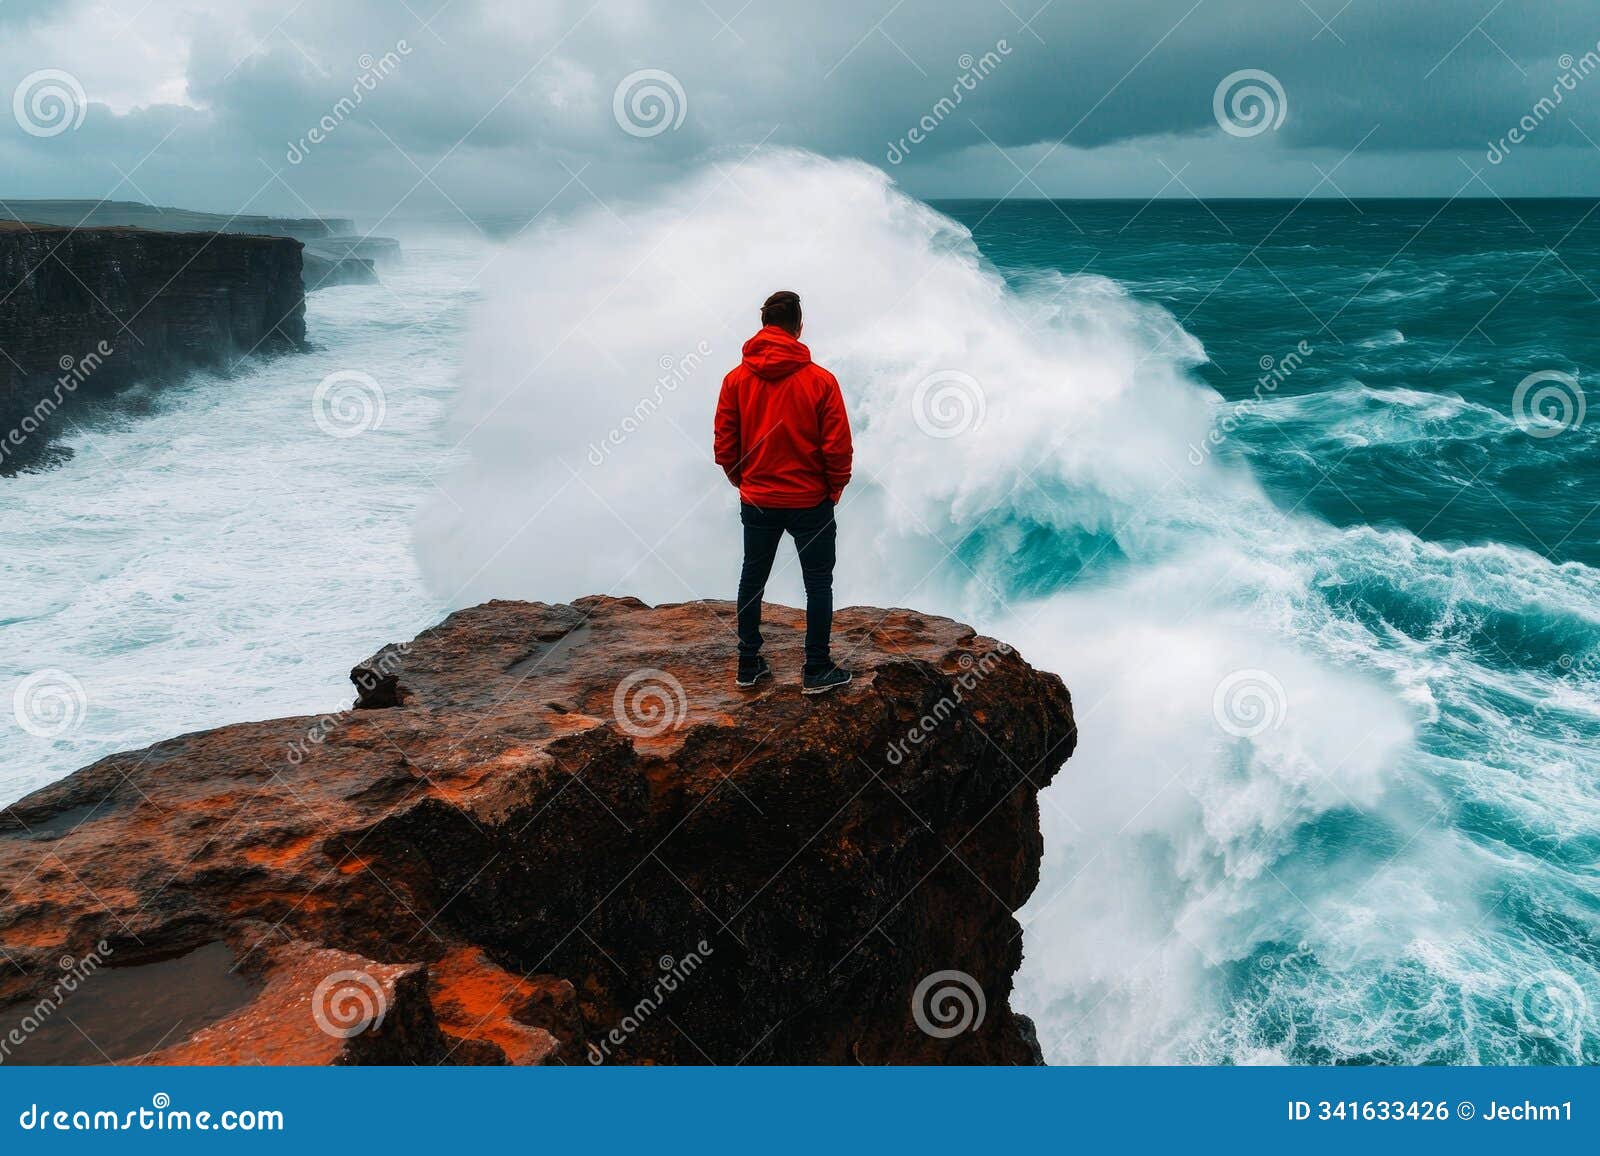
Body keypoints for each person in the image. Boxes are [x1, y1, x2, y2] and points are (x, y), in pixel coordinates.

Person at [714, 290, 853, 694]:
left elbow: (726, 441)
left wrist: (742, 478)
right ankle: (816, 668)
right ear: (798, 328)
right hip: (810, 500)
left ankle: (748, 663)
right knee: (818, 583)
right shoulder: (821, 381)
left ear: (764, 326)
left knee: (752, 577)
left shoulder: (735, 379)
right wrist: (834, 487)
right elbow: (837, 447)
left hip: (757, 498)